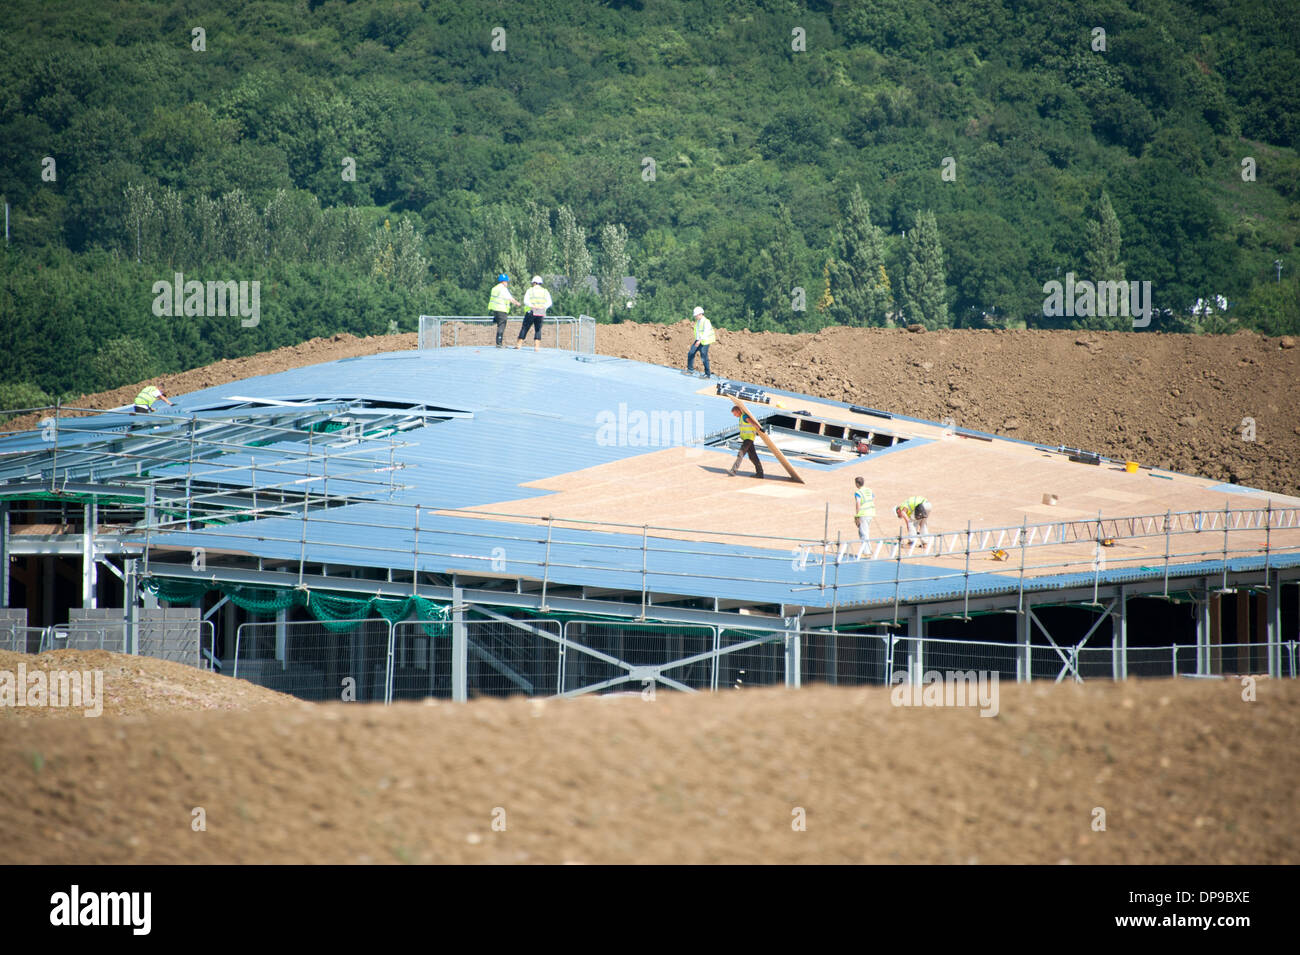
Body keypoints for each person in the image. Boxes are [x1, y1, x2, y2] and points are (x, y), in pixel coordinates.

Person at [517, 276, 552, 351]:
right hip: (541, 312)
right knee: (538, 329)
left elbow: (525, 301)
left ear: (534, 283)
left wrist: (532, 306)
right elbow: (549, 302)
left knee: (525, 328)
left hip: (531, 311)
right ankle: (536, 347)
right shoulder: (545, 291)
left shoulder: (530, 290)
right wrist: (543, 307)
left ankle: (519, 345)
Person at [728, 406, 764, 478]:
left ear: (738, 411)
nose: (734, 416)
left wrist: (760, 428)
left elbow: (752, 422)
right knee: (753, 457)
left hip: (748, 439)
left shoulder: (744, 416)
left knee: (740, 453)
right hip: (747, 439)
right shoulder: (741, 418)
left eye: (735, 414)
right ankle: (760, 473)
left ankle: (733, 470)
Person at [487, 273, 521, 348]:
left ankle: (499, 343)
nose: (507, 283)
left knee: (499, 325)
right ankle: (499, 343)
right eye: (506, 282)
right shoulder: (503, 289)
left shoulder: (495, 288)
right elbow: (509, 298)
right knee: (501, 326)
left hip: (495, 310)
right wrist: (517, 303)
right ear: (503, 282)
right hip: (501, 309)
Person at [686, 306, 715, 377]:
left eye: (696, 315)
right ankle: (690, 370)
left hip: (705, 342)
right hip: (698, 340)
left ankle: (707, 374)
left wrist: (700, 340)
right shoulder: (698, 322)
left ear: (700, 314)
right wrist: (697, 340)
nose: (695, 317)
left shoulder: (706, 322)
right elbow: (698, 332)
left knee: (704, 357)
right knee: (691, 353)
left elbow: (706, 332)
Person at [853, 476, 875, 555]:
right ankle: (868, 549)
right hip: (871, 512)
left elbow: (858, 503)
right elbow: (872, 498)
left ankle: (866, 551)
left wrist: (857, 515)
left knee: (863, 532)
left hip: (863, 513)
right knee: (866, 531)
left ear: (857, 484)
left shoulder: (858, 493)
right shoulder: (869, 490)